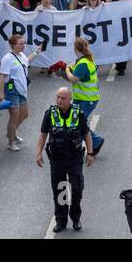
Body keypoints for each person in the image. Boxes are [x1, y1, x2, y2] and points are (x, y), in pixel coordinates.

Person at [35, 87, 95, 233]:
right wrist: (38, 153)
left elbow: (86, 135)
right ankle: (61, 221)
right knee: (60, 190)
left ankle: (75, 218)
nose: (59, 100)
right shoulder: (50, 114)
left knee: (76, 189)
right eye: (58, 97)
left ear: (70, 99)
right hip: (57, 160)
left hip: (74, 159)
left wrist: (90, 153)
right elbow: (43, 135)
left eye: (63, 98)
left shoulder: (78, 114)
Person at [0, 33, 42, 152]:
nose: (23, 46)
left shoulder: (21, 55)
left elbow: (26, 62)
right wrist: (1, 93)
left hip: (22, 89)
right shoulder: (7, 58)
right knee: (14, 116)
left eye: (24, 43)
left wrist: (36, 52)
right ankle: (11, 141)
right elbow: (2, 76)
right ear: (13, 45)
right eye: (20, 44)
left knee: (24, 114)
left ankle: (11, 133)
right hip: (11, 90)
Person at [62, 36, 104, 156]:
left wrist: (66, 70)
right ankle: (88, 143)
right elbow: (75, 73)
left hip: (86, 100)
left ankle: (95, 141)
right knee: (76, 122)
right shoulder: (85, 60)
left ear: (76, 48)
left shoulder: (82, 64)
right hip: (83, 98)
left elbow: (74, 79)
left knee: (78, 123)